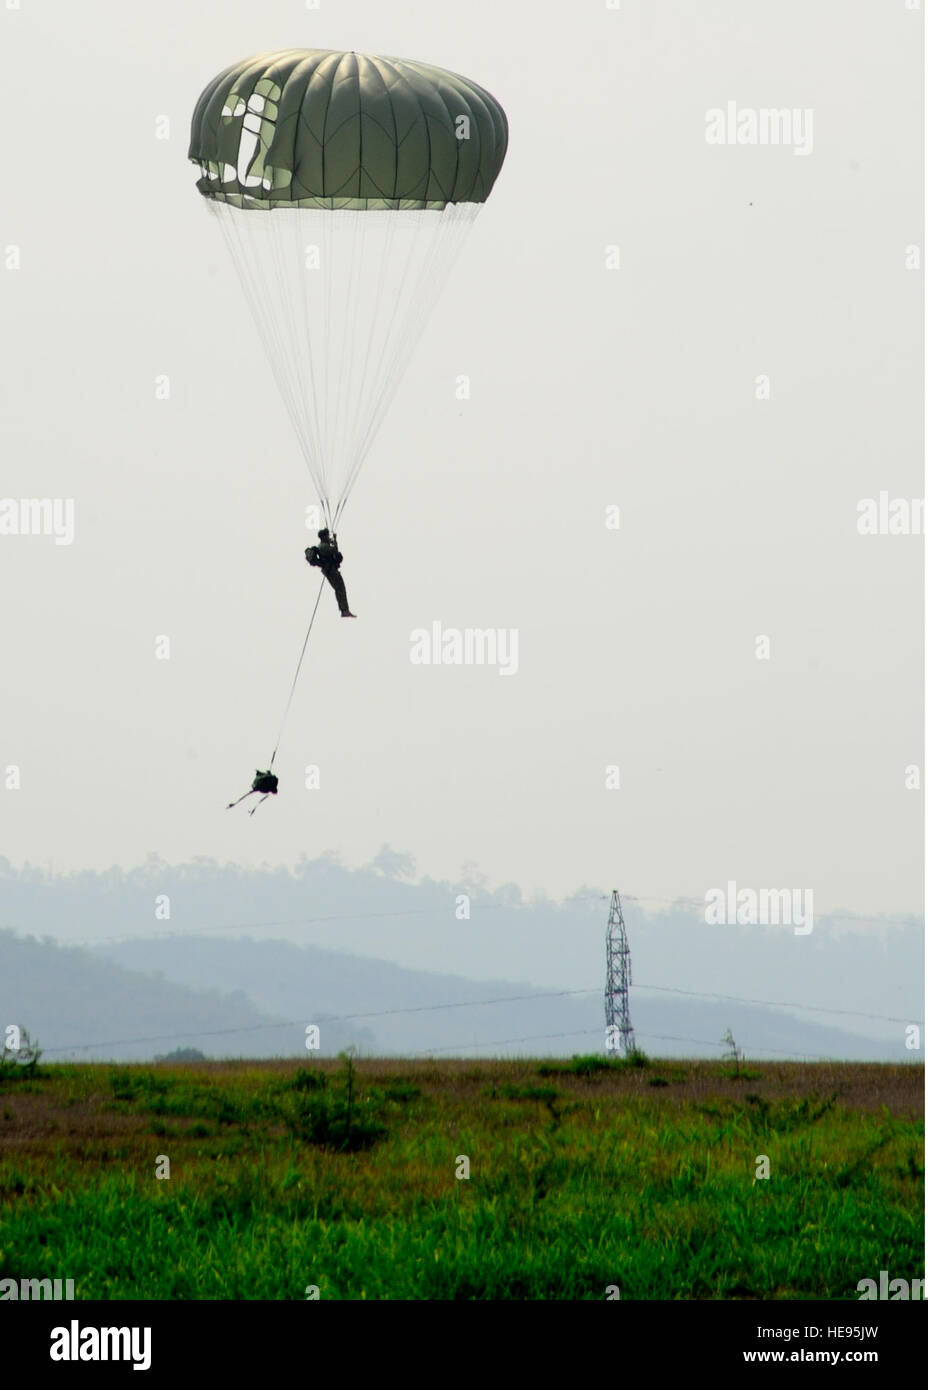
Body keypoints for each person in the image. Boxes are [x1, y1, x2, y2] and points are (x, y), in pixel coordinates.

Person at [305, 528, 355, 617]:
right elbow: (335, 550)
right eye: (327, 536)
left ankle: (344, 610)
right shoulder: (323, 546)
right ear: (324, 537)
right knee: (340, 588)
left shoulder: (324, 545)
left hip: (331, 570)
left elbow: (335, 552)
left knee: (340, 588)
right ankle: (344, 610)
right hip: (331, 571)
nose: (329, 537)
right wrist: (335, 540)